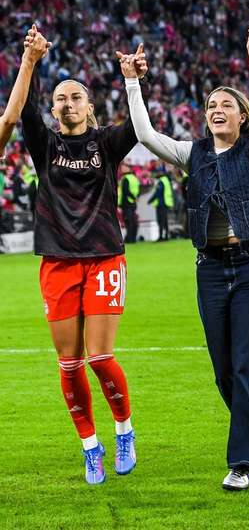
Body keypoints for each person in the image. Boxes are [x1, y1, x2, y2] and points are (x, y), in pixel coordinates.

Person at [121, 26, 249, 490]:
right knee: (223, 369)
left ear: (240, 114)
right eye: (210, 106)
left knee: (248, 361)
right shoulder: (194, 154)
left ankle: (242, 461)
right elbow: (146, 135)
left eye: (224, 105)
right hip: (210, 269)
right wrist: (133, 81)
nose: (215, 111)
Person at [0, 25, 138, 485]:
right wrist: (30, 62)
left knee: (100, 358)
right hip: (57, 262)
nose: (67, 102)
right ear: (54, 108)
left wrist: (133, 80)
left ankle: (124, 431)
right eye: (60, 97)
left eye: (76, 96)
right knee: (69, 363)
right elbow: (18, 112)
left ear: (89, 106)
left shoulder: (106, 144)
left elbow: (139, 127)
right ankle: (90, 446)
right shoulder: (45, 145)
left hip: (103, 258)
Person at [148, 165, 173, 241]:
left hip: (161, 203)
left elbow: (158, 192)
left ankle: (161, 236)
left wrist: (151, 200)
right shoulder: (166, 180)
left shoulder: (161, 181)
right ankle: (166, 236)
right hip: (166, 203)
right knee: (165, 221)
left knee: (161, 220)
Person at [118, 165, 139, 243]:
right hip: (133, 203)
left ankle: (130, 239)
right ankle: (133, 238)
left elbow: (125, 191)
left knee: (128, 221)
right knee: (133, 221)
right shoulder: (134, 178)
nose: (122, 169)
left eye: (123, 168)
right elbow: (138, 189)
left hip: (126, 202)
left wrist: (132, 198)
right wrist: (135, 198)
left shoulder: (125, 178)